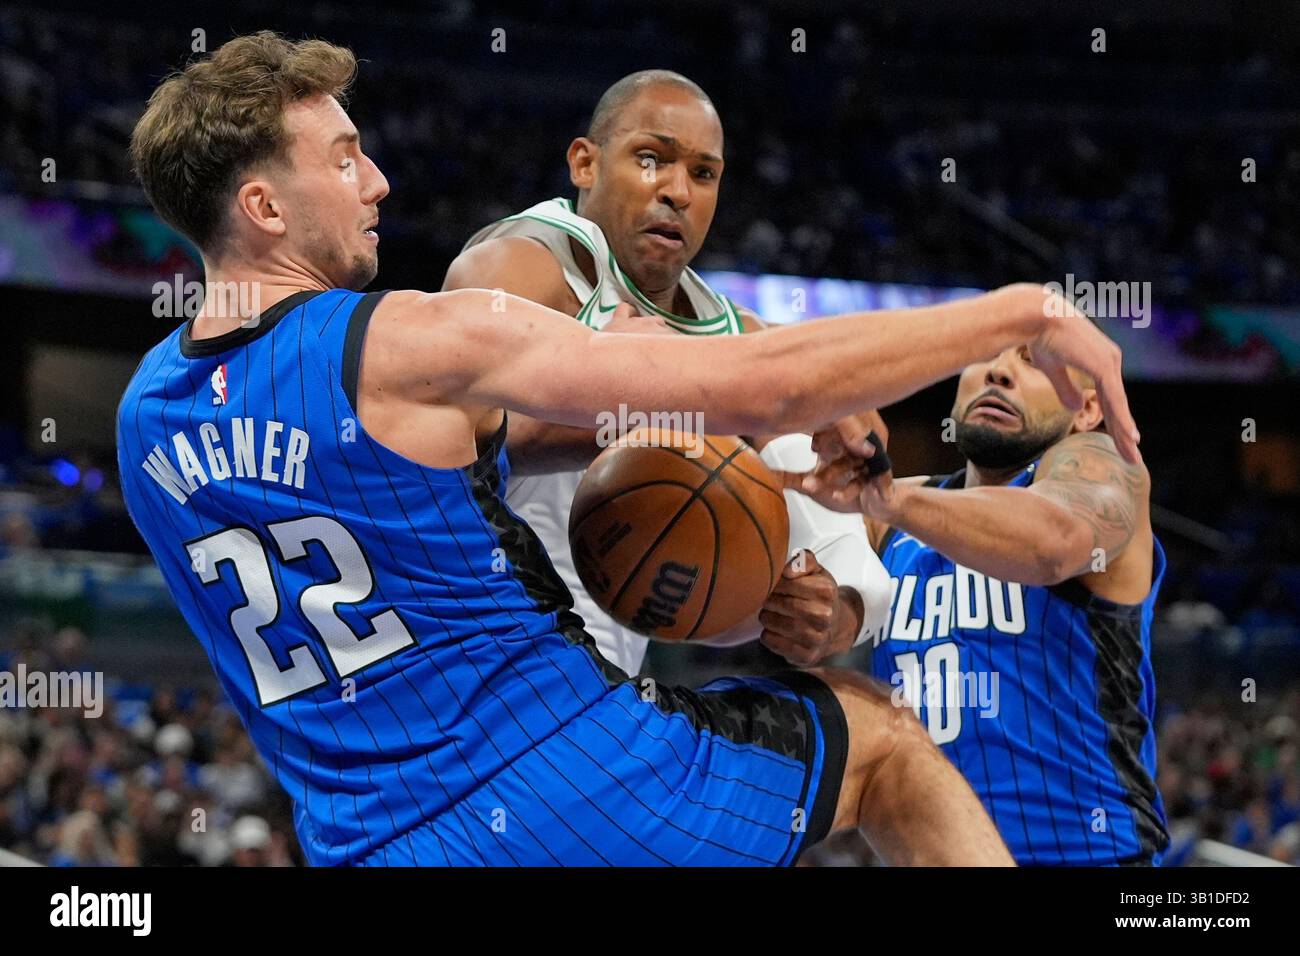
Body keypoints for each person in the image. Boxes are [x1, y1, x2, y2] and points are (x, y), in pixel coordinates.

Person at [117, 31, 1137, 866]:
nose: (377, 179)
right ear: (263, 205)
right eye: (343, 158)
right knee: (879, 742)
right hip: (572, 775)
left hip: (364, 840)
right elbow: (760, 384)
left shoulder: (146, 419)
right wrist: (1015, 307)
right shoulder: (417, 334)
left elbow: (506, 434)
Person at [443, 70, 891, 674]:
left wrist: (833, 608)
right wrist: (653, 396)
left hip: (604, 686)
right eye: (651, 159)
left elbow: (852, 484)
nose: (677, 191)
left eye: (703, 174)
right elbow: (452, 455)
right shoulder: (520, 265)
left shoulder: (738, 338)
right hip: (466, 650)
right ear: (584, 163)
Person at [782, 346, 1168, 864]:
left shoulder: (1108, 470)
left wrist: (888, 500)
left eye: (1033, 360)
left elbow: (1055, 539)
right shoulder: (886, 521)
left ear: (1087, 410)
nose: (998, 370)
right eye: (984, 354)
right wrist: (809, 613)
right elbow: (793, 601)